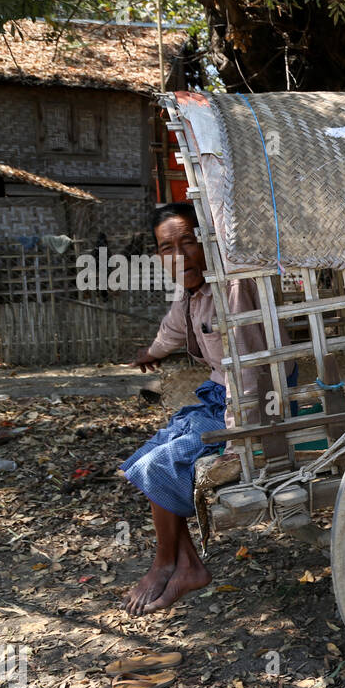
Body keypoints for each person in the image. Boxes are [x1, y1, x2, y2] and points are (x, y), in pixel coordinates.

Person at [122, 202, 286, 615]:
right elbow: (174, 329)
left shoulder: (233, 289)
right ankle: (189, 564)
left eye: (189, 242)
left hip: (253, 402)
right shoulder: (191, 291)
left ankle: (166, 563)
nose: (180, 255)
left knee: (160, 466)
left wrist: (237, 434)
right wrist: (151, 353)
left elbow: (250, 368)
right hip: (219, 396)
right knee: (142, 460)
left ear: (208, 241)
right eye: (167, 248)